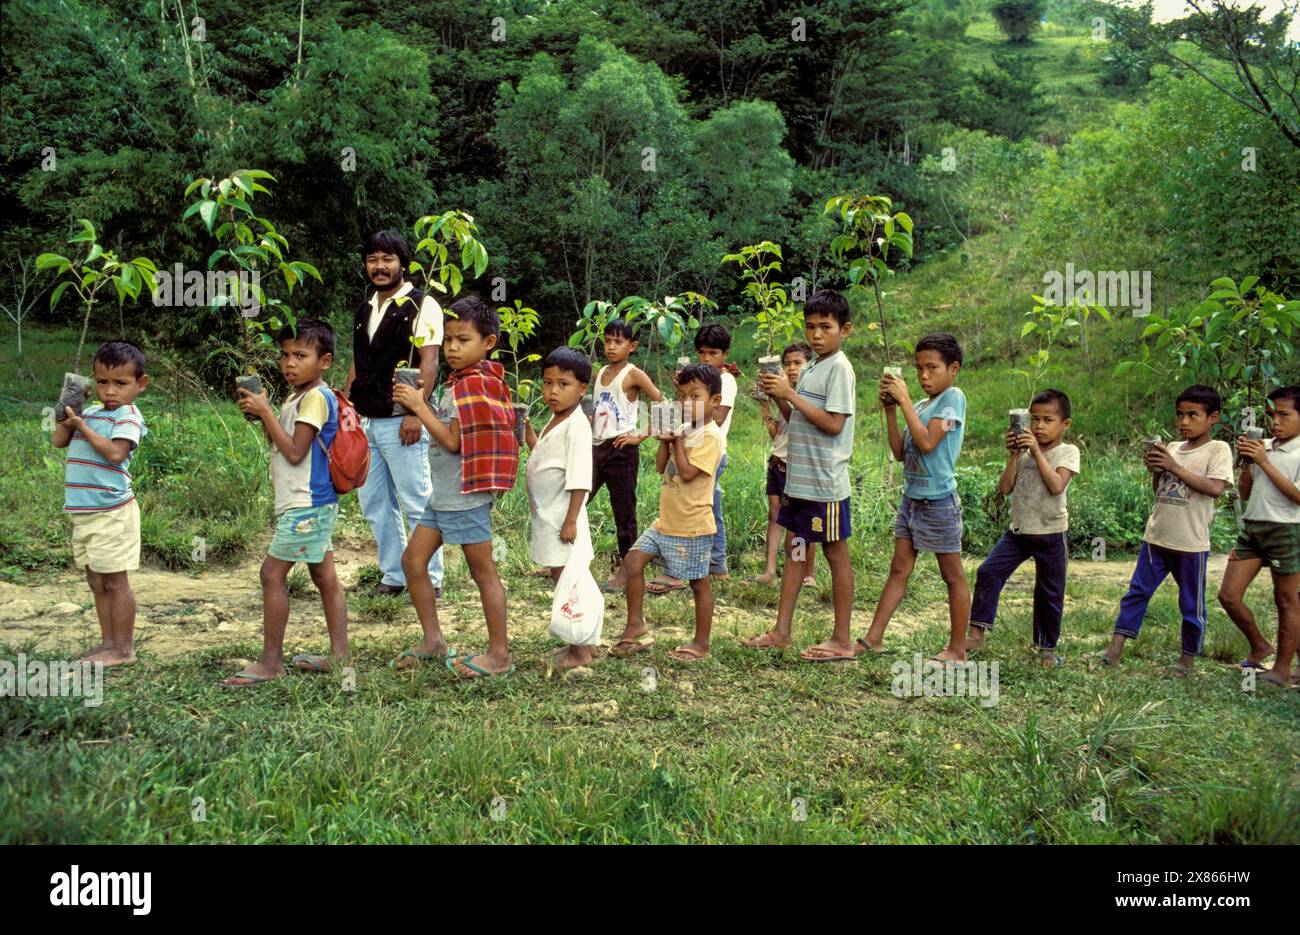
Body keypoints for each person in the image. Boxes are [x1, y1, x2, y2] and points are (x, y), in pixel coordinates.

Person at [391, 296, 520, 678]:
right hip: (443, 495)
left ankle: (500, 655)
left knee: (483, 574)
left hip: (465, 496)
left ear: (488, 343)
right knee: (413, 562)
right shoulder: (459, 382)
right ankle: (433, 642)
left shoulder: (476, 384)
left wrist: (419, 405)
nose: (451, 348)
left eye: (463, 340)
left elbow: (453, 442)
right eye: (448, 340)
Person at [224, 319, 350, 686]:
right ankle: (340, 657)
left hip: (306, 504)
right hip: (309, 502)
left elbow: (295, 452)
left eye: (300, 355)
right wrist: (264, 415)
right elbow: (282, 444)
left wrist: (265, 412)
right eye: (284, 355)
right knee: (324, 576)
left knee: (271, 573)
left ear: (324, 361)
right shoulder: (296, 397)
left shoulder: (315, 397)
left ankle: (271, 662)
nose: (289, 363)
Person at [740, 292, 856, 661]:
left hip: (825, 482)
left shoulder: (839, 368)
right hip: (799, 479)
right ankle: (781, 630)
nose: (816, 334)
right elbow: (798, 422)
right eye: (810, 326)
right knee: (796, 549)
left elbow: (834, 425)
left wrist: (791, 393)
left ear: (845, 330)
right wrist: (778, 398)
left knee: (836, 554)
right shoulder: (811, 368)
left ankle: (841, 639)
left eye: (826, 326)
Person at [1097, 386, 1233, 676]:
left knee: (1191, 603)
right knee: (1136, 593)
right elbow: (1161, 490)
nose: (1184, 421)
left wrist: (1173, 466)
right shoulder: (1172, 448)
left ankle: (1187, 660)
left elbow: (1215, 488)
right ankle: (1114, 648)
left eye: (1192, 415)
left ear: (1213, 418)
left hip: (1190, 543)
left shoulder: (1218, 449)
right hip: (1156, 537)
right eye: (1180, 415)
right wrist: (1158, 471)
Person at [344, 230, 444, 597]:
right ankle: (394, 575)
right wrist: (346, 408)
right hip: (366, 421)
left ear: (403, 263)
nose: (380, 266)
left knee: (417, 500)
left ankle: (430, 580)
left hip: (403, 422)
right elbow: (359, 363)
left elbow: (429, 360)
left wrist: (416, 412)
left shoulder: (423, 305)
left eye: (388, 259)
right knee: (374, 503)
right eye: (373, 259)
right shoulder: (365, 308)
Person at [858, 332, 970, 663]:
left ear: (953, 368)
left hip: (938, 503)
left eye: (932, 368)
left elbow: (927, 443)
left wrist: (904, 399)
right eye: (919, 368)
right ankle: (873, 639)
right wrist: (892, 409)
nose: (923, 376)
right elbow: (899, 451)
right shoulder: (921, 405)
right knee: (898, 569)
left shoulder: (954, 399)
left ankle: (957, 648)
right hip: (912, 500)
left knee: (952, 576)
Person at [609, 364, 724, 662]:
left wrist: (675, 441)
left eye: (695, 396)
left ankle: (701, 643)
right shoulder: (684, 430)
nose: (687, 403)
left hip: (693, 524)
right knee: (633, 563)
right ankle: (635, 626)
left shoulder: (711, 437)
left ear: (714, 401)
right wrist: (665, 441)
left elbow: (686, 474)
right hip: (665, 521)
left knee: (699, 584)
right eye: (682, 397)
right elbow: (662, 466)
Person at [52, 340, 149, 668]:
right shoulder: (90, 412)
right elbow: (58, 442)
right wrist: (67, 417)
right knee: (96, 579)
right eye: (102, 382)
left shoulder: (129, 415)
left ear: (140, 384)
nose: (110, 391)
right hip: (84, 512)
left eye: (121, 383)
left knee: (114, 580)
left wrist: (82, 426)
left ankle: (123, 649)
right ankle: (108, 642)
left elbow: (115, 453)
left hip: (111, 512)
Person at [967, 389, 1079, 667]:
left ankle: (1046, 650)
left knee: (1049, 591)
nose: (1039, 426)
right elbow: (1005, 488)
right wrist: (1015, 455)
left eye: (1048, 420)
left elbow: (1056, 486)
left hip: (1051, 533)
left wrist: (1036, 452)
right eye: (1035, 419)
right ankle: (976, 634)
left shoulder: (1068, 452)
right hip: (1018, 533)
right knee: (988, 572)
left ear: (1065, 424)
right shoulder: (1026, 452)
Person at [1218, 384, 1300, 688]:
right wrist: (1247, 465)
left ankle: (1282, 668)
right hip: (1252, 527)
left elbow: (1297, 497)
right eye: (1271, 415)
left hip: (1285, 529)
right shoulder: (1265, 445)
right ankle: (1260, 645)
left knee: (1286, 599)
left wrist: (1264, 462)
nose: (1275, 421)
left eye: (1284, 415)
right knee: (1228, 595)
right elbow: (1246, 492)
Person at [647, 324, 736, 593]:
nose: (706, 358)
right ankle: (682, 559)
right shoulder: (697, 383)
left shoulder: (724, 381)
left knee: (708, 508)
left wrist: (687, 415)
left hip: (707, 452)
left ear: (725, 354)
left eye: (713, 353)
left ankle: (715, 563)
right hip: (689, 446)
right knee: (689, 505)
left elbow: (716, 418)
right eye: (701, 352)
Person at [525, 347, 597, 671]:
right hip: (550, 517)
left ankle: (578, 650)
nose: (553, 391)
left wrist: (570, 522)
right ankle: (585, 641)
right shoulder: (556, 420)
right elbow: (544, 455)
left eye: (563, 384)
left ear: (583, 388)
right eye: (547, 383)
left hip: (562, 522)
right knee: (572, 581)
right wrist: (527, 432)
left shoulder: (577, 426)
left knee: (568, 584)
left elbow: (580, 478)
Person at [588, 318, 662, 592]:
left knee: (624, 512)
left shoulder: (633, 374)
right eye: (607, 340)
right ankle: (564, 559)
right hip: (597, 449)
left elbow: (662, 402)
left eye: (618, 341)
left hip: (622, 451)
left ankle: (627, 571)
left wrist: (640, 435)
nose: (611, 346)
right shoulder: (600, 373)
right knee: (576, 500)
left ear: (632, 346)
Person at [753, 342, 817, 588]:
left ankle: (806, 572)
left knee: (801, 521)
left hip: (798, 465)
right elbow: (777, 433)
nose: (791, 369)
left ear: (809, 365)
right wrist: (764, 404)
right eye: (787, 363)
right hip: (778, 461)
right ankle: (769, 571)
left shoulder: (806, 395)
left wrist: (782, 397)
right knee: (775, 515)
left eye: (797, 363)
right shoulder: (784, 391)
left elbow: (797, 422)